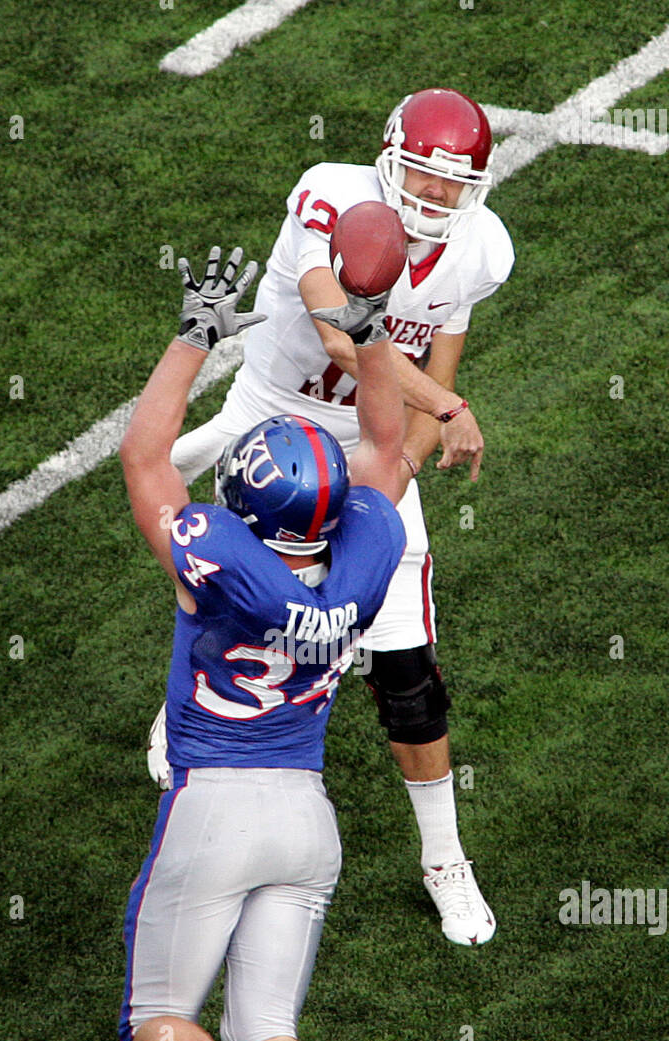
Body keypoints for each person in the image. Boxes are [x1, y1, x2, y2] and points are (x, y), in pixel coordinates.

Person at [147, 88, 514, 946]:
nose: (431, 200)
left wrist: (398, 472)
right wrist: (452, 407)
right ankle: (186, 708)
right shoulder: (329, 195)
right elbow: (342, 334)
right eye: (419, 177)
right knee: (236, 600)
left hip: (372, 437)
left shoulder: (479, 252)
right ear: (389, 161)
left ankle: (444, 860)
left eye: (451, 185)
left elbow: (431, 370)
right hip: (272, 421)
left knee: (409, 676)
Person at [118, 245, 409, 1041]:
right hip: (306, 817)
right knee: (269, 1029)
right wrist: (370, 333)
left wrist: (194, 333)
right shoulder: (361, 555)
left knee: (156, 1021)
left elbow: (146, 459)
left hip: (215, 805)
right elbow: (384, 438)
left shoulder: (213, 560)